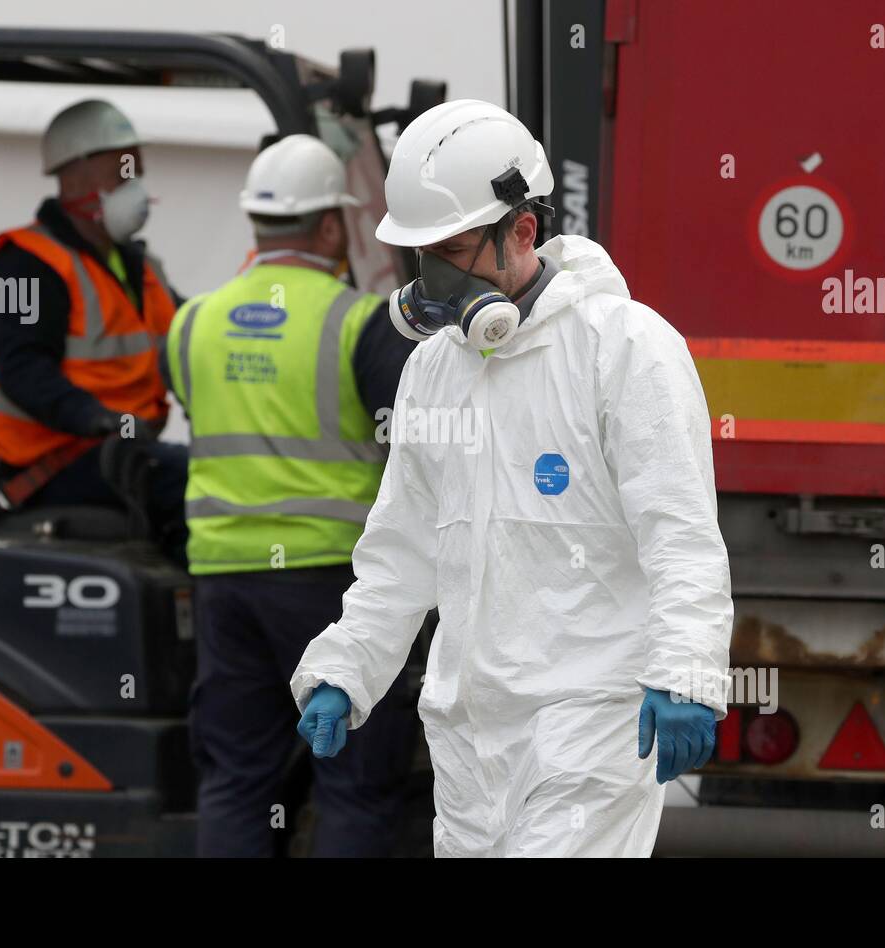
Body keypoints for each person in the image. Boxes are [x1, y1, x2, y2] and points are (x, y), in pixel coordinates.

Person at [290, 100, 733, 857]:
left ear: (522, 232)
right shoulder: (432, 368)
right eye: (421, 252)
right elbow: (401, 550)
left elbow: (680, 534)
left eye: (454, 249)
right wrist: (345, 667)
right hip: (467, 736)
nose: (432, 276)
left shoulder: (624, 349)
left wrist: (687, 672)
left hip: (591, 720)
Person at [167, 134, 419, 857]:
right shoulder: (361, 323)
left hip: (222, 579)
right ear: (331, 226)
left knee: (238, 778)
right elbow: (413, 445)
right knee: (351, 782)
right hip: (327, 581)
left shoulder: (192, 323)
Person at [0, 99, 187, 561]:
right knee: (198, 486)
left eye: (138, 175)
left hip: (115, 451)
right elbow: (22, 370)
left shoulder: (135, 266)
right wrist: (98, 417)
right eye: (123, 176)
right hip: (53, 466)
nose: (136, 191)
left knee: (223, 474)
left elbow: (193, 338)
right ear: (74, 176)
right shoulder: (21, 267)